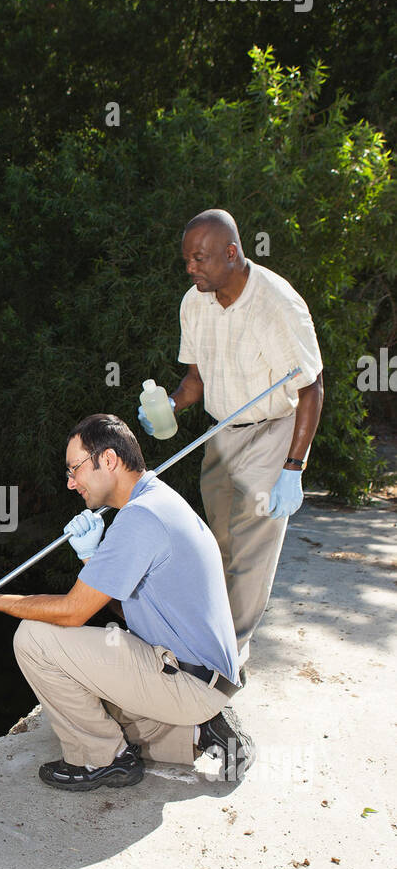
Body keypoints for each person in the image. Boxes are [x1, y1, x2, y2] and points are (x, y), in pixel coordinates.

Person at [0, 413, 255, 791]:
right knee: (91, 705)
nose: (71, 483)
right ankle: (202, 733)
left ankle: (100, 760)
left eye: (75, 469)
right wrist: (91, 557)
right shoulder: (156, 500)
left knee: (34, 639)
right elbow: (131, 609)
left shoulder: (140, 518)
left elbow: (74, 612)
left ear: (108, 460)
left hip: (189, 681)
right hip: (203, 677)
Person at [139, 209, 324, 665]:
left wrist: (293, 469)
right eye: (186, 259)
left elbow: (311, 388)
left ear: (231, 252)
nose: (190, 268)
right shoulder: (193, 302)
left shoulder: (276, 304)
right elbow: (195, 381)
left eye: (199, 258)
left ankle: (229, 655)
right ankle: (213, 633)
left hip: (272, 432)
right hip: (221, 433)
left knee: (251, 553)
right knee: (216, 546)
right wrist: (171, 405)